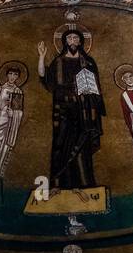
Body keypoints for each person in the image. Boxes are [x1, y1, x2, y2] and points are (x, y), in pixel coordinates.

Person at [38, 29, 105, 191]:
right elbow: (46, 79)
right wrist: (41, 57)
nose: (73, 40)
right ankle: (58, 184)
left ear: (80, 41)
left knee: (82, 145)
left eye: (76, 37)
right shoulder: (58, 61)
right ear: (65, 42)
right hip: (62, 107)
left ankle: (84, 184)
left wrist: (92, 94)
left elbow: (96, 87)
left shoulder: (88, 61)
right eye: (69, 38)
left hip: (83, 108)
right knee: (60, 143)